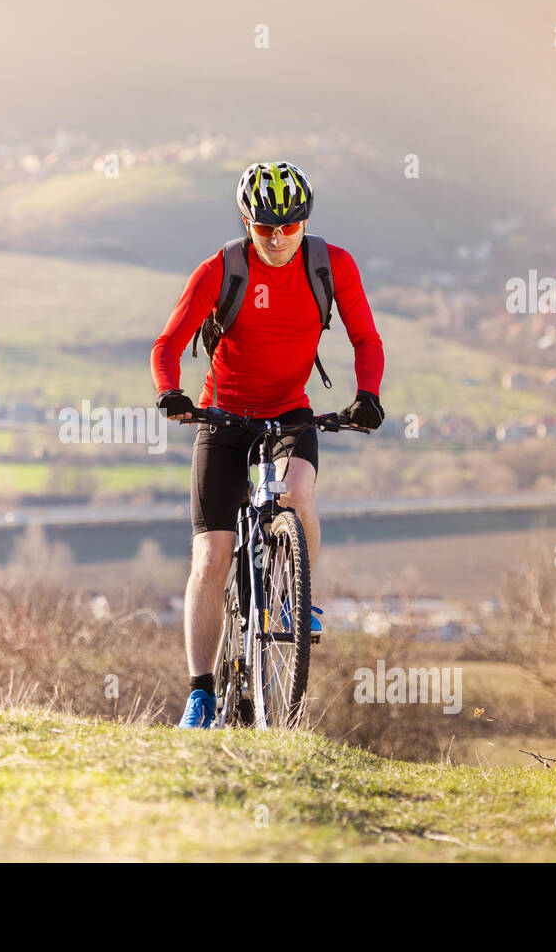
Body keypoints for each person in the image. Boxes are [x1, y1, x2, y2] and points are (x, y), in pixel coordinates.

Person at [149, 161, 386, 728]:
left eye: (289, 226)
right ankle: (201, 693)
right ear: (246, 223)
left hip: (289, 412)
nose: (278, 239)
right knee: (211, 556)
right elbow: (167, 343)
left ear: (305, 222)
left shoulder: (331, 266)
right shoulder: (221, 270)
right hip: (223, 416)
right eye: (264, 228)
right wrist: (170, 392)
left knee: (297, 491)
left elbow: (365, 337)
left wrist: (368, 395)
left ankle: (294, 598)